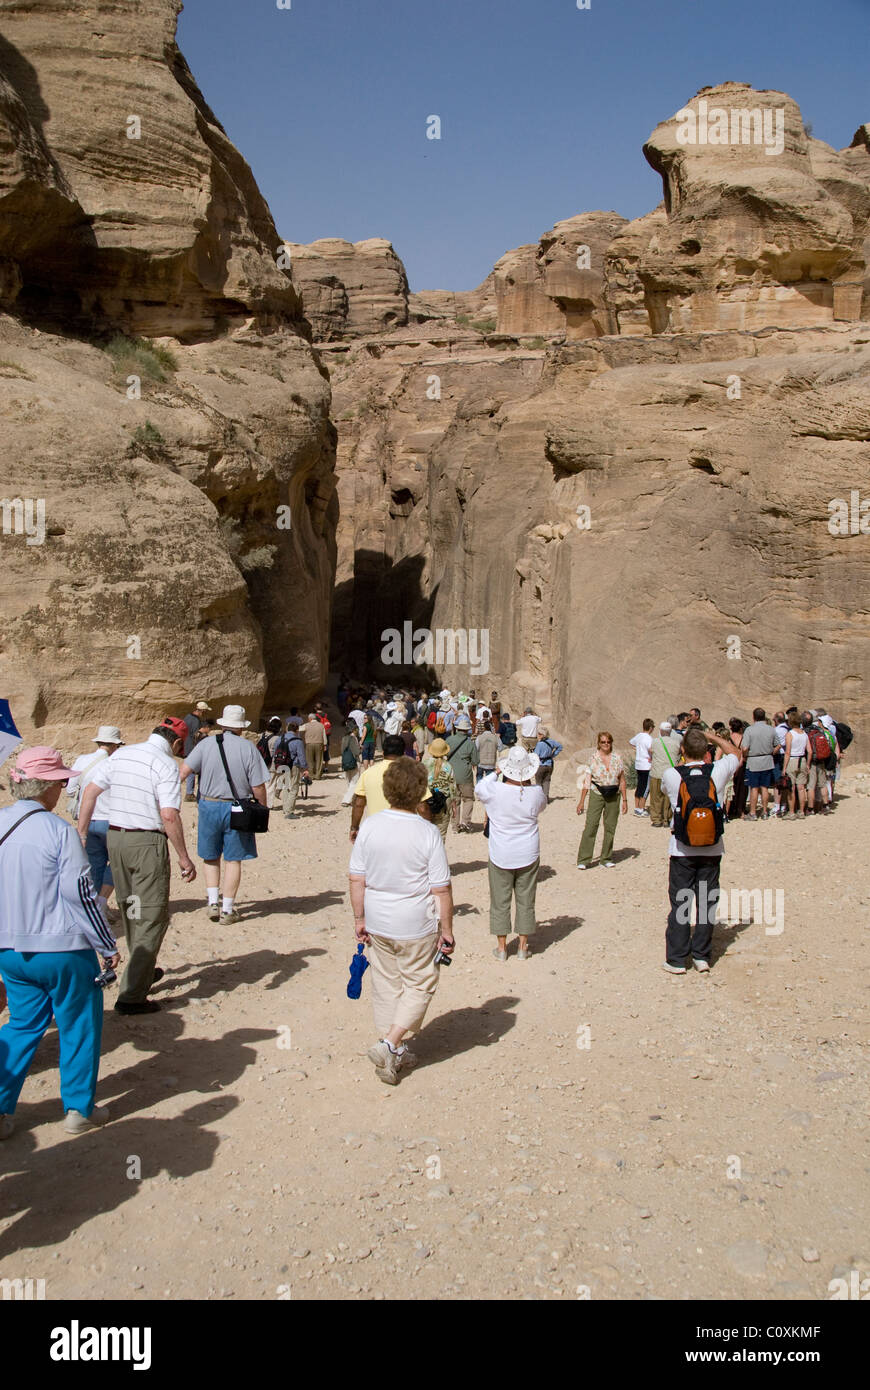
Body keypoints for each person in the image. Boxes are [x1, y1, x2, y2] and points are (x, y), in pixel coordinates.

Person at [0, 747, 120, 1138]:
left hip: (10, 950)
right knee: (79, 1025)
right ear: (48, 787)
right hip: (63, 949)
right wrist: (106, 944)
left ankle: (2, 1110)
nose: (64, 787)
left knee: (21, 1025)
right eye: (62, 781)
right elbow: (80, 893)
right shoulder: (59, 831)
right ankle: (78, 1108)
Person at [78, 718, 196, 1016]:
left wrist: (80, 832)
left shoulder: (122, 754)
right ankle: (132, 994)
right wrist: (183, 856)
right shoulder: (165, 764)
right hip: (146, 842)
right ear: (177, 743)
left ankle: (139, 968)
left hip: (116, 839)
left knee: (130, 904)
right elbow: (168, 815)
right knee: (153, 914)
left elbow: (90, 792)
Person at [350, 759, 454, 1085]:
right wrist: (448, 929)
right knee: (421, 983)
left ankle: (392, 1052)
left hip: (379, 918)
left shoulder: (370, 826)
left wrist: (359, 918)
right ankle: (390, 1043)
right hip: (416, 921)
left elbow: (356, 878)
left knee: (386, 984)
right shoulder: (427, 831)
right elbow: (441, 888)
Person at [178, 704, 268, 925]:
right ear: (241, 727)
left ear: (222, 724)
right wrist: (263, 809)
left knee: (211, 856)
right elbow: (258, 786)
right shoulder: (248, 748)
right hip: (238, 807)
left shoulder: (206, 744)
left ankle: (212, 903)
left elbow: (184, 772)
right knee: (233, 859)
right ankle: (227, 909)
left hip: (208, 805)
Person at [661, 726, 740, 974]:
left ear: (683, 750)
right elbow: (736, 753)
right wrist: (713, 737)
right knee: (706, 903)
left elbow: (666, 794)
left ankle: (676, 959)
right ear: (706, 750)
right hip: (712, 848)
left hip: (682, 850)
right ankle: (702, 956)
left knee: (681, 903)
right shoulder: (717, 771)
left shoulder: (672, 775)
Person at [476, 746, 547, 960]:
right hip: (528, 851)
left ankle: (501, 948)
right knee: (526, 899)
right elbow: (541, 807)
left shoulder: (495, 791)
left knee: (500, 899)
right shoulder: (536, 793)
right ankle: (523, 947)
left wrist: (496, 772)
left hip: (502, 852)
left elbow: (480, 787)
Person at [66, 725, 125, 911]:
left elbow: (69, 790)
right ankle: (102, 901)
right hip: (112, 819)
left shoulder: (82, 760)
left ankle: (92, 906)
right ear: (115, 745)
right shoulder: (117, 762)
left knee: (94, 864)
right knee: (118, 862)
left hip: (88, 820)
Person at [576, 731, 627, 868]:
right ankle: (584, 859)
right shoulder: (593, 758)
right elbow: (587, 781)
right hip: (597, 794)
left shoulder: (617, 758)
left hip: (614, 795)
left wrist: (625, 800)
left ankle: (606, 858)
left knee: (610, 827)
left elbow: (622, 779)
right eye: (603, 742)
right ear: (598, 743)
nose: (606, 744)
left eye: (608, 742)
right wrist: (581, 801)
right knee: (591, 825)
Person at [350, 734, 407, 842]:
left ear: (383, 753)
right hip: (404, 833)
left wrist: (354, 827)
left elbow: (359, 803)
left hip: (375, 832)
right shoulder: (413, 774)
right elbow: (423, 807)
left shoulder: (368, 773)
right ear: (403, 753)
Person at [741, 707, 778, 819]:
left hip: (753, 761)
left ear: (754, 717)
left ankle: (753, 813)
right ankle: (765, 812)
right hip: (767, 760)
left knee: (754, 788)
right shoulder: (771, 729)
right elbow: (778, 744)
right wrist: (771, 753)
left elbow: (745, 747)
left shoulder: (749, 730)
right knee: (765, 787)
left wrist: (745, 756)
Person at [421, 737, 459, 842]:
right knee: (441, 836)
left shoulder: (424, 764)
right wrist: (454, 806)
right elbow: (452, 787)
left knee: (426, 835)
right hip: (444, 802)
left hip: (426, 801)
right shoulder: (448, 766)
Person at [446, 713, 479, 832]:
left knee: (455, 801)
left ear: (457, 728)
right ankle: (466, 822)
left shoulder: (449, 740)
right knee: (468, 799)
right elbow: (476, 761)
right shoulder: (470, 744)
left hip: (452, 775)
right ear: (467, 730)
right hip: (465, 775)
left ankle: (455, 826)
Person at [648, 721, 682, 827]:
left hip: (657, 772)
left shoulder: (655, 742)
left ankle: (657, 819)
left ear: (661, 731)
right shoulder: (676, 743)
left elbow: (651, 751)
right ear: (670, 731)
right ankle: (667, 819)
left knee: (656, 797)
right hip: (670, 773)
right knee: (668, 797)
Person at [182, 700, 212, 801]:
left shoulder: (187, 717)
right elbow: (195, 735)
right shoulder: (195, 720)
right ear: (202, 711)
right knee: (196, 770)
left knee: (191, 770)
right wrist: (203, 732)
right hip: (192, 748)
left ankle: (190, 793)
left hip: (186, 746)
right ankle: (192, 794)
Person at [782, 712, 810, 816]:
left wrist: (784, 768)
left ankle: (792, 812)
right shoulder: (804, 734)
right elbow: (810, 751)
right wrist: (807, 764)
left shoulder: (790, 734)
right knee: (801, 788)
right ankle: (802, 811)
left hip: (792, 760)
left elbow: (787, 752)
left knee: (791, 788)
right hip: (802, 760)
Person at [629, 719, 655, 815]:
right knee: (646, 788)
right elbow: (651, 749)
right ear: (651, 728)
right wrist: (651, 756)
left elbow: (631, 742)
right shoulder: (649, 738)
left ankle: (637, 807)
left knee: (640, 786)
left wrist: (638, 749)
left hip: (638, 764)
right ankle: (641, 808)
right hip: (646, 765)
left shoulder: (639, 736)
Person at [724, 717, 747, 819]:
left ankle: (730, 810)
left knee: (730, 787)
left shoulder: (728, 739)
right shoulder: (743, 738)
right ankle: (740, 810)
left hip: (730, 764)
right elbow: (743, 753)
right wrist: (740, 764)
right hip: (741, 764)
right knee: (742, 788)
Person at [533, 726, 563, 801]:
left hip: (540, 765)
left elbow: (535, 755)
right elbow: (560, 747)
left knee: (539, 782)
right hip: (549, 764)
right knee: (547, 781)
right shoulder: (551, 741)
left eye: (539, 734)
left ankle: (539, 799)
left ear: (543, 735)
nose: (538, 735)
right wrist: (553, 755)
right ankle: (546, 797)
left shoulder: (539, 744)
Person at [340, 720, 361, 805]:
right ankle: (346, 800)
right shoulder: (353, 738)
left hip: (345, 761)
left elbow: (341, 751)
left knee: (349, 782)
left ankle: (351, 799)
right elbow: (356, 752)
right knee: (355, 782)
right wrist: (360, 749)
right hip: (354, 761)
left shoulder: (343, 738)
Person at [302, 712, 327, 781]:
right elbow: (324, 736)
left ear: (310, 718)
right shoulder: (321, 725)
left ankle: (311, 775)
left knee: (310, 760)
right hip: (319, 744)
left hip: (309, 744)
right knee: (319, 760)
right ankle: (318, 775)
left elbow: (299, 729)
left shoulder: (306, 725)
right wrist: (325, 744)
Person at [475, 718, 499, 783]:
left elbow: (476, 749)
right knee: (490, 781)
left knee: (479, 777)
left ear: (484, 727)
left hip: (481, 762)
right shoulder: (495, 738)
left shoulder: (479, 737)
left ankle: (479, 790)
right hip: (491, 763)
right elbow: (500, 748)